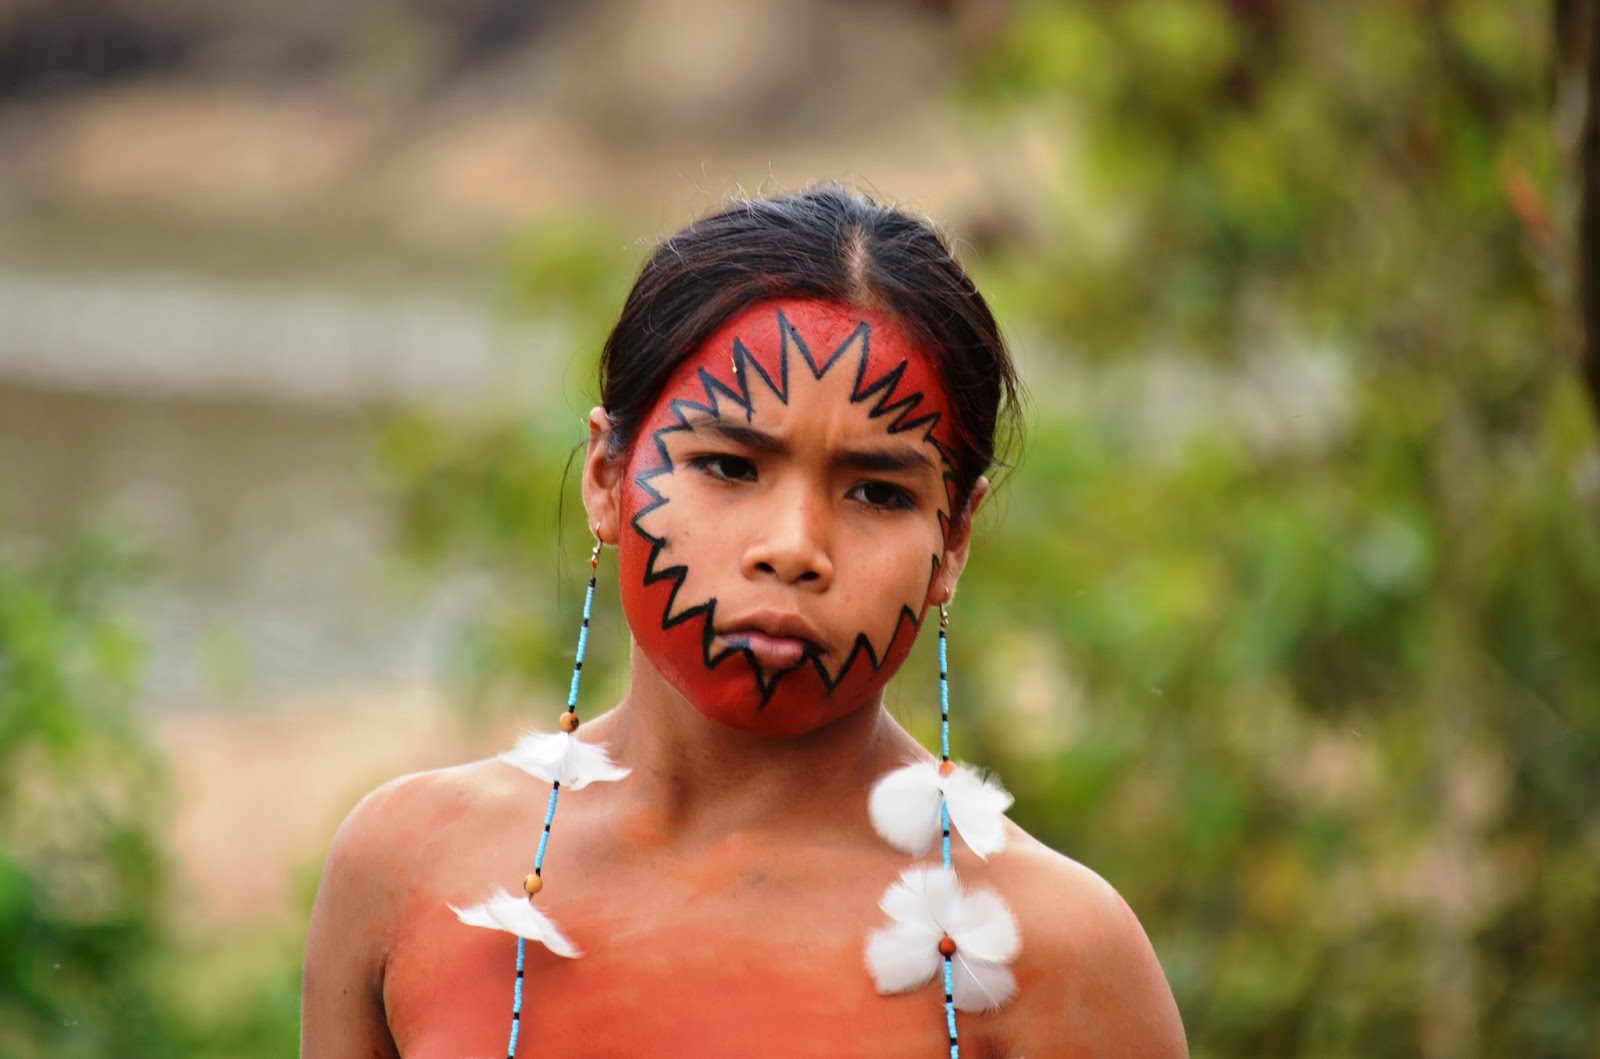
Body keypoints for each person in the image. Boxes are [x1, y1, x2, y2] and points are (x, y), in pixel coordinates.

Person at [301, 185, 1188, 1058]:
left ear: (953, 538)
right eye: (729, 466)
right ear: (608, 480)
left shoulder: (1055, 950)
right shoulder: (408, 867)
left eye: (878, 491)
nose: (796, 547)